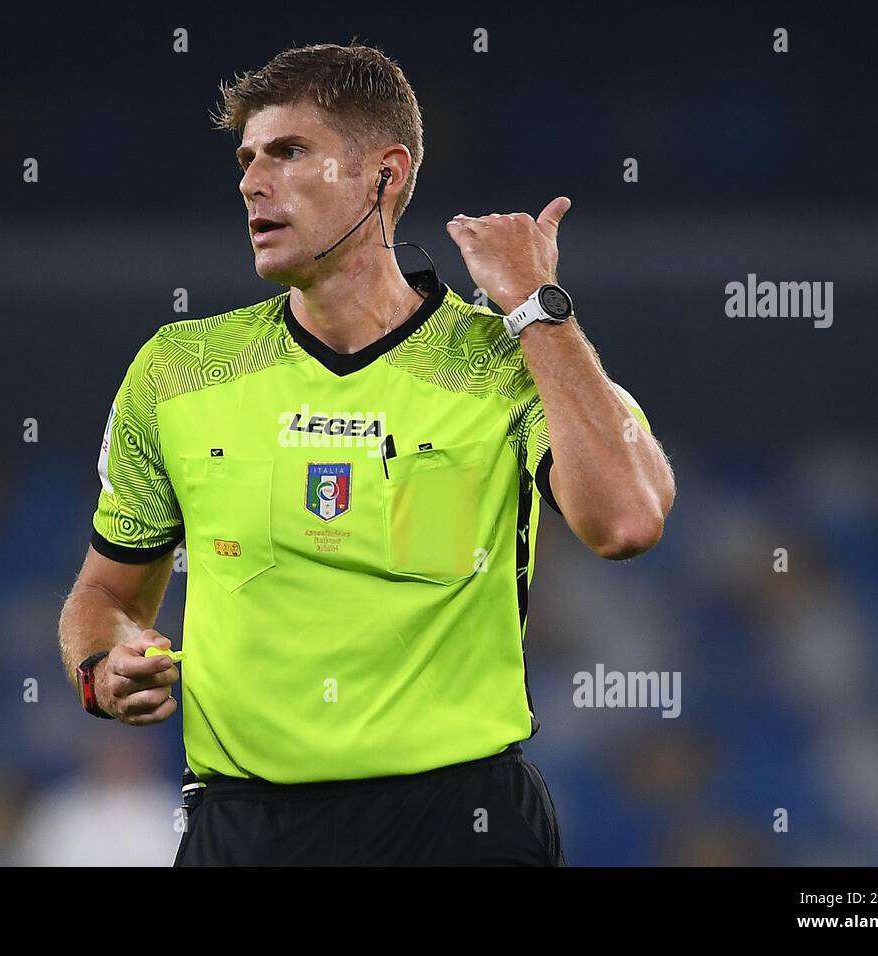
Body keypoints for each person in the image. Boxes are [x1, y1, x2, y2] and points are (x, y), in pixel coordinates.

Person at [58, 41, 676, 866]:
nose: (251, 181)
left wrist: (537, 309)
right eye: (247, 158)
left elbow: (628, 520)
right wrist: (103, 667)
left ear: (384, 174)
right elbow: (104, 592)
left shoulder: (502, 361)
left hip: (460, 826)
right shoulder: (178, 372)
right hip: (245, 832)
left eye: (288, 152)